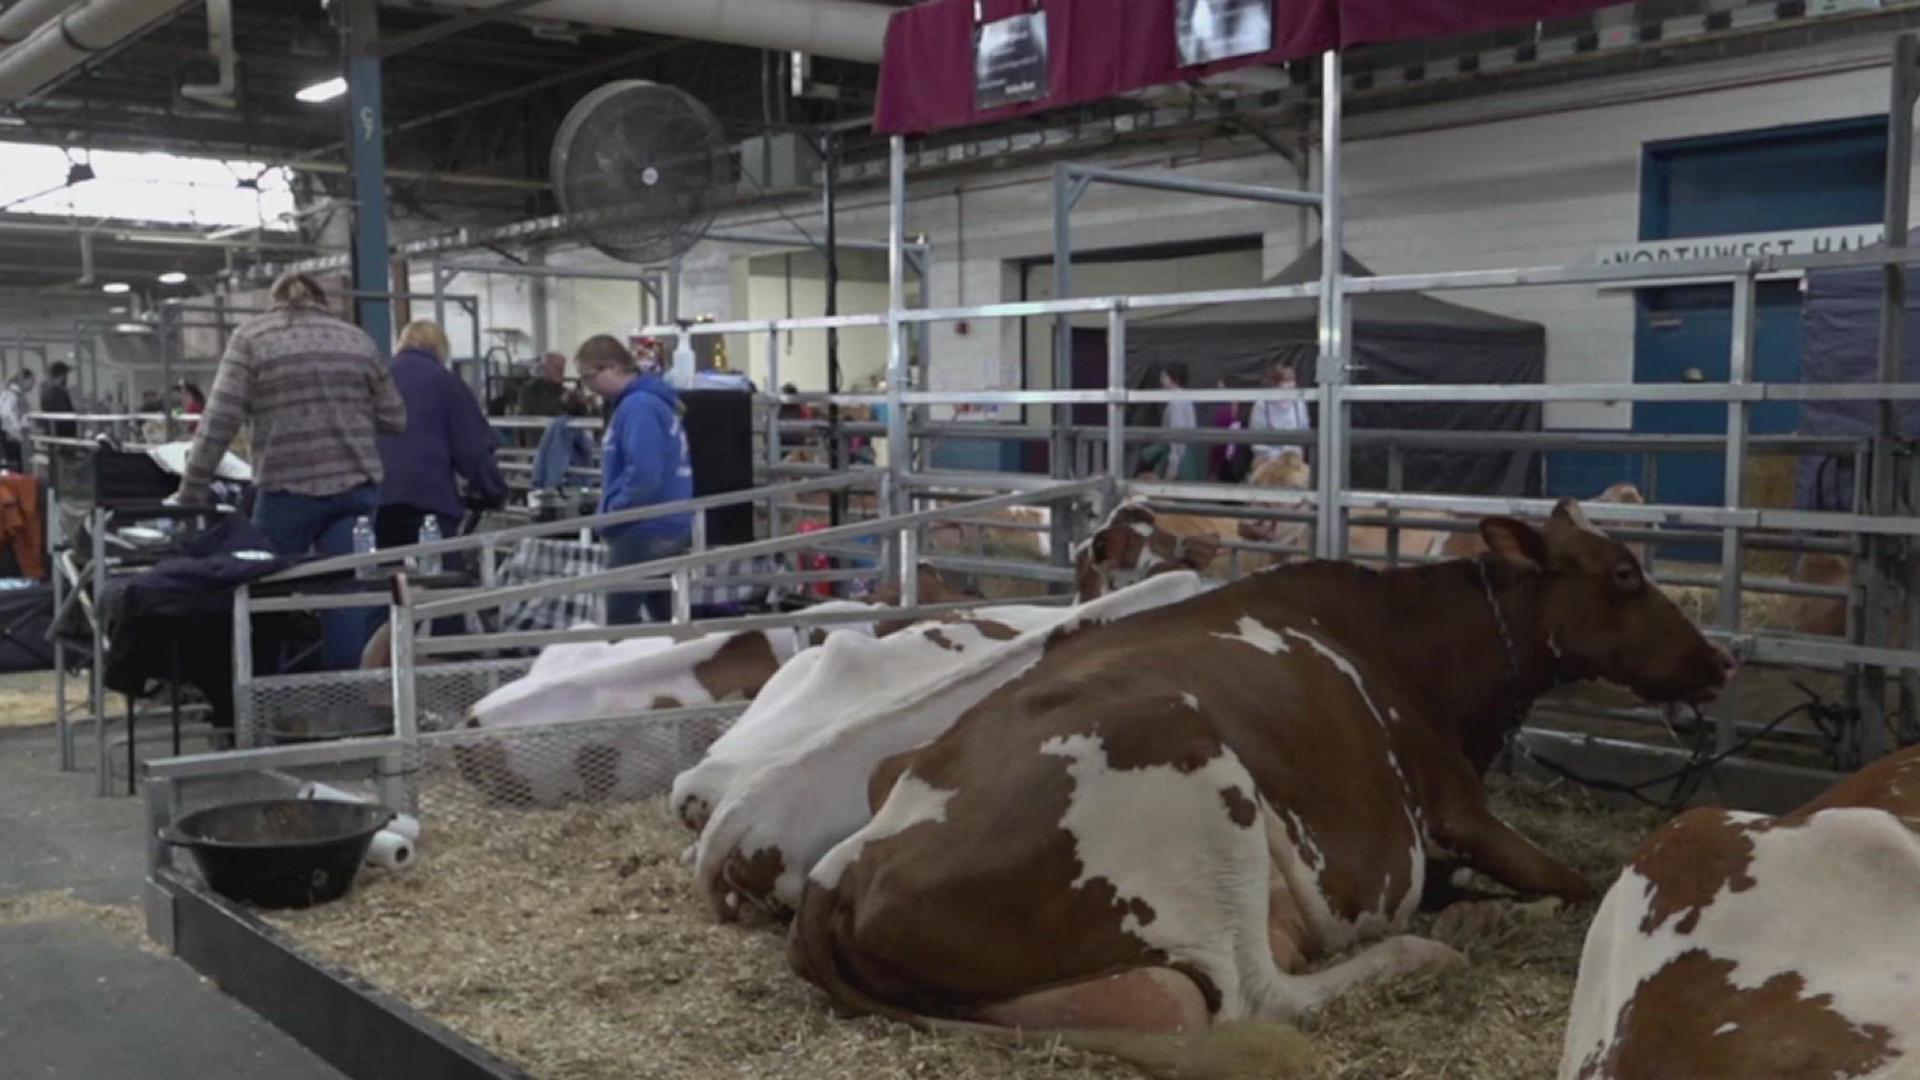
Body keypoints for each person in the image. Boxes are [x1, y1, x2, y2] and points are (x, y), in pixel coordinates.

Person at [170, 271, 407, 669]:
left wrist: (191, 491)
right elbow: (396, 418)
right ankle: (347, 707)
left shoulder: (253, 338)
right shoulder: (356, 340)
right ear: (322, 301)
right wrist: (345, 411)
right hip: (355, 490)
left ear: (275, 301)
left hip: (286, 491)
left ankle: (262, 698)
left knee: (263, 596)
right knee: (347, 597)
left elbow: (218, 422)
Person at [575, 334, 692, 626]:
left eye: (589, 377)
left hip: (643, 526)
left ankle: (624, 669)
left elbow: (644, 472)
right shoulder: (650, 403)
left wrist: (616, 510)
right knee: (668, 618)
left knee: (617, 620)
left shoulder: (638, 407)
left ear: (613, 368)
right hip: (665, 521)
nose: (589, 387)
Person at [374, 320, 507, 555]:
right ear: (439, 349)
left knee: (386, 580)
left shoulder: (378, 380)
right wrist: (493, 490)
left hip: (378, 500)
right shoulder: (447, 383)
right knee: (440, 579)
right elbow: (472, 449)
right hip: (430, 500)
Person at [1139, 362, 1206, 482]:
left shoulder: (1177, 401)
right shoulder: (1182, 399)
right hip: (1182, 454)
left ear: (1174, 378)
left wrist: (1173, 468)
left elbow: (1177, 436)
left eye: (1164, 377)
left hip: (1180, 458)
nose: (1161, 381)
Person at [1249, 358, 1311, 465]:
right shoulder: (1262, 404)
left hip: (1293, 458)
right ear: (1275, 384)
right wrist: (1274, 457)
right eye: (1286, 381)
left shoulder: (1299, 403)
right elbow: (1257, 438)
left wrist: (1292, 455)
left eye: (1292, 381)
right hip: (1267, 460)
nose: (1291, 385)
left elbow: (1304, 432)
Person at [516, 352, 571, 417]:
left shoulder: (562, 390)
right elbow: (538, 411)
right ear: (545, 367)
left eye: (562, 368)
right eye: (556, 367)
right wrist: (561, 402)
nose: (561, 371)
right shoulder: (531, 388)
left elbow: (580, 414)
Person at [0, 370, 34, 470]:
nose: (33, 384)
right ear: (24, 380)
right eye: (31, 380)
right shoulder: (12, 396)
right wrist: (19, 430)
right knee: (17, 469)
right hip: (14, 439)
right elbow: (7, 416)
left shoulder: (9, 394)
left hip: (13, 438)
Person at [39, 361, 76, 439]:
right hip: (63, 432)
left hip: (51, 431)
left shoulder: (44, 389)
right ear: (62, 375)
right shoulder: (58, 391)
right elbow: (65, 411)